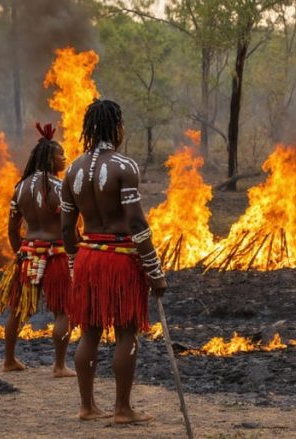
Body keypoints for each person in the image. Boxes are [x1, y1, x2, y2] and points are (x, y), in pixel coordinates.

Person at [61, 99, 167, 423]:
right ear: (117, 126)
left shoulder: (71, 170)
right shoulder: (124, 166)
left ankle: (87, 406)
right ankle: (122, 409)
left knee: (89, 332)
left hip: (88, 258)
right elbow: (136, 223)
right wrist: (154, 270)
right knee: (125, 332)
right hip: (120, 260)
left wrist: (73, 266)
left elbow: (67, 228)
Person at [0, 123, 74, 378]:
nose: (65, 158)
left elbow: (12, 229)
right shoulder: (60, 188)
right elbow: (70, 226)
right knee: (63, 310)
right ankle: (59, 366)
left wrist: (20, 252)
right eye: (61, 155)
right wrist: (76, 251)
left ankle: (9, 360)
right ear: (50, 158)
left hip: (29, 254)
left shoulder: (20, 188)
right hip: (57, 255)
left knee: (18, 308)